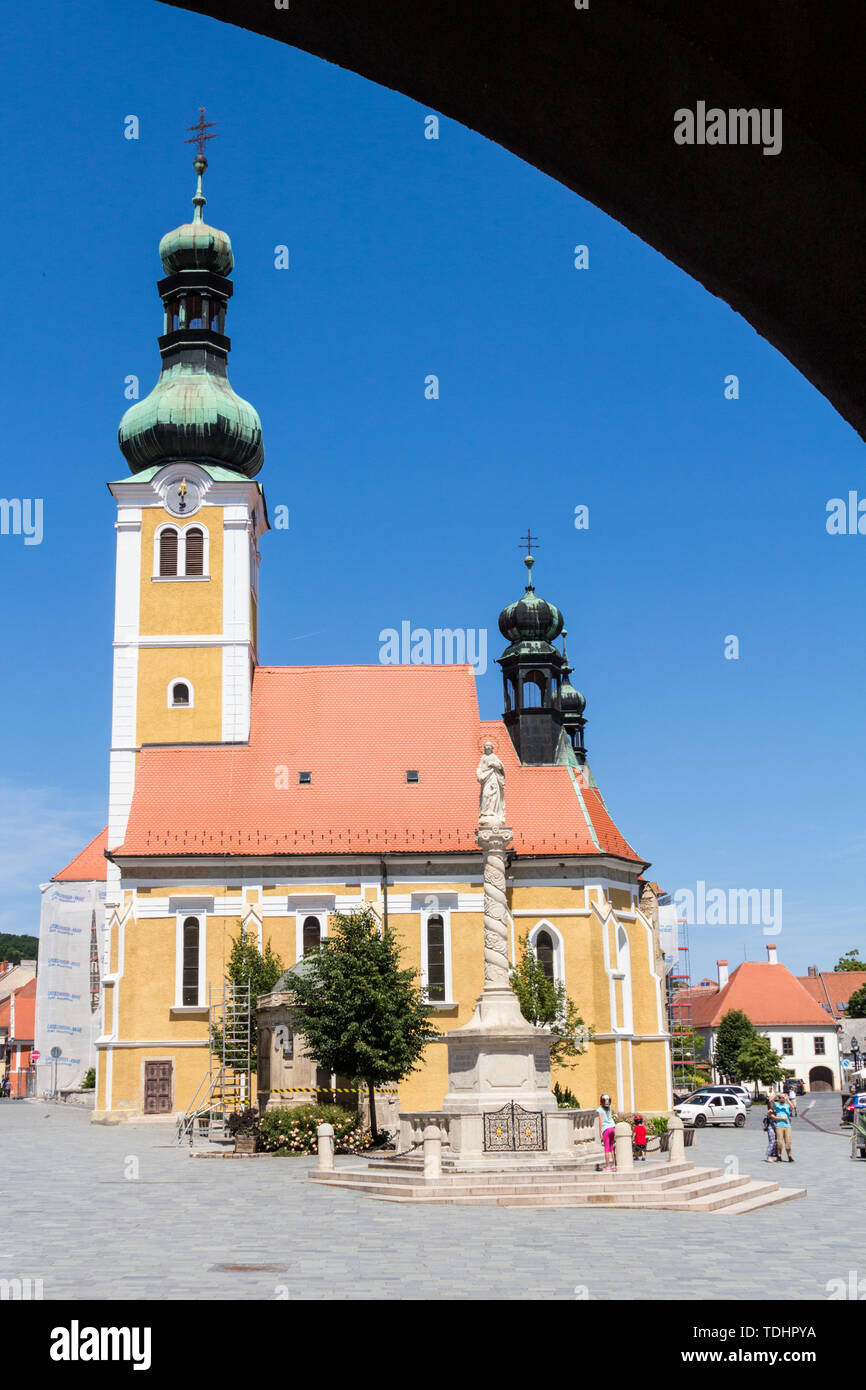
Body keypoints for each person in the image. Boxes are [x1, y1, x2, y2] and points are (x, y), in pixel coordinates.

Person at [773, 1090, 794, 1162]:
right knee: (779, 1142)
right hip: (779, 1125)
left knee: (788, 1142)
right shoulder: (776, 1104)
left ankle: (789, 1156)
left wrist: (787, 1099)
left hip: (787, 1126)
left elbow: (793, 1107)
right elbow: (770, 1100)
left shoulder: (787, 1105)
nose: (782, 1099)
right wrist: (776, 1095)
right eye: (781, 1098)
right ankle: (779, 1156)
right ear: (779, 1099)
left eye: (783, 1098)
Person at [597, 1093, 617, 1171]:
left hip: (606, 1129)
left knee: (606, 1148)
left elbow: (600, 1120)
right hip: (612, 1127)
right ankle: (614, 1165)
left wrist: (600, 1132)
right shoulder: (610, 1108)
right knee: (612, 1147)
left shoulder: (599, 1110)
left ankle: (608, 1166)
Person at [763, 1093, 778, 1162]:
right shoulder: (770, 1110)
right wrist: (777, 1094)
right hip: (771, 1127)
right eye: (772, 1102)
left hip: (777, 1127)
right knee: (772, 1141)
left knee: (777, 1142)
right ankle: (768, 1156)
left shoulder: (776, 1108)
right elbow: (770, 1100)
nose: (773, 1102)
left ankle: (775, 1155)